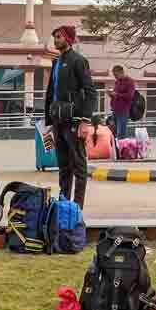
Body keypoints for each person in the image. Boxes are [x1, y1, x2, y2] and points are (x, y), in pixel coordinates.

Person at [45, 25, 95, 208]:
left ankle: (77, 207)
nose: (56, 40)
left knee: (79, 166)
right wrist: (49, 122)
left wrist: (85, 121)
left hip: (74, 121)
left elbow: (90, 91)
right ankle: (64, 202)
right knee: (63, 166)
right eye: (55, 37)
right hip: (58, 121)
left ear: (68, 39)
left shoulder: (78, 61)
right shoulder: (57, 62)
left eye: (59, 36)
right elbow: (51, 93)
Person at [109, 65, 136, 142]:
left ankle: (122, 147)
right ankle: (116, 147)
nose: (115, 77)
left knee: (121, 133)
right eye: (114, 75)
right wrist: (111, 95)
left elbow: (130, 96)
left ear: (121, 72)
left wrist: (117, 95)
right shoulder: (117, 82)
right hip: (115, 109)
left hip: (123, 110)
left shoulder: (129, 82)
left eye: (116, 75)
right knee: (114, 131)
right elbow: (116, 94)